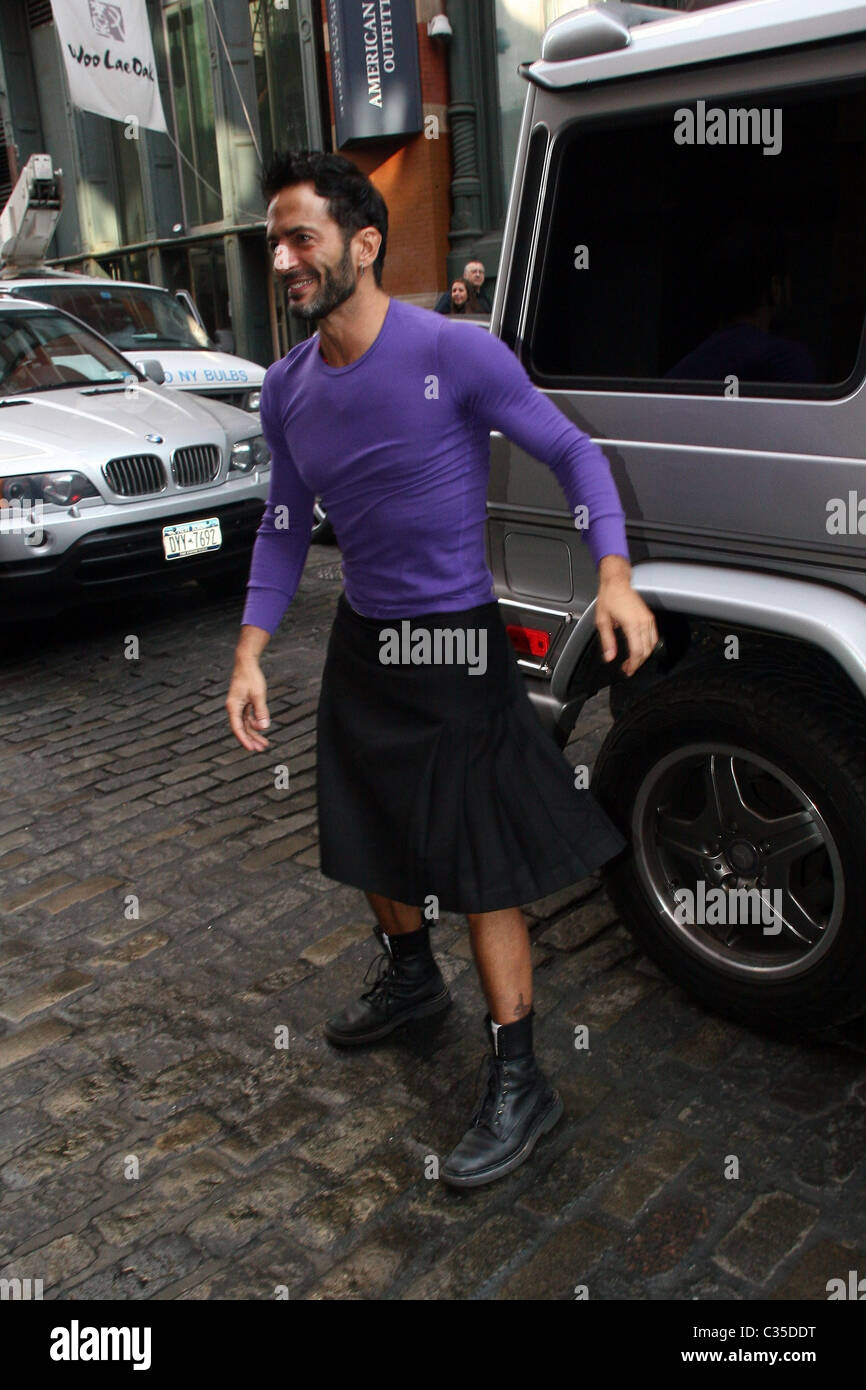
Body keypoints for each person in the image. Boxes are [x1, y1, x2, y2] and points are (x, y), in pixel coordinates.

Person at [225, 151, 658, 1189]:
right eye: (274, 239)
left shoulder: (449, 352)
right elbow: (285, 525)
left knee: (475, 865)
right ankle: (412, 981)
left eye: (301, 237)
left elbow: (573, 452)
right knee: (368, 825)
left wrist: (614, 575)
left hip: (455, 640)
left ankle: (521, 1078)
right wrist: (248, 649)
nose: (282, 257)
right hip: (364, 639)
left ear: (362, 245)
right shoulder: (286, 388)